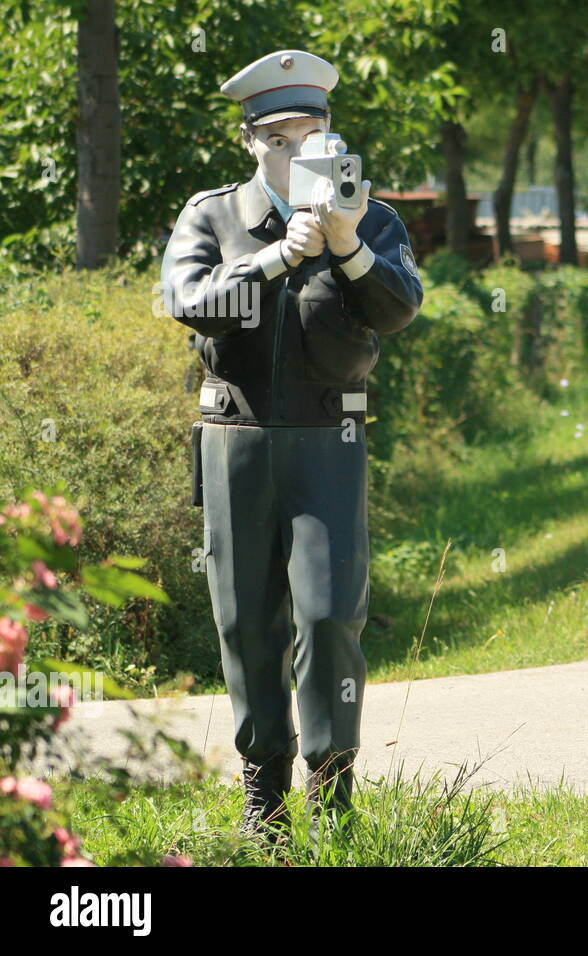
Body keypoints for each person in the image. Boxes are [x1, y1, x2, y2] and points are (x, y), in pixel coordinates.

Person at [160, 50, 423, 842]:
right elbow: (188, 301)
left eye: (314, 133)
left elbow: (399, 307)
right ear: (250, 141)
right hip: (234, 438)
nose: (299, 150)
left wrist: (345, 247)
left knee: (329, 614)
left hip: (327, 438)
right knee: (246, 624)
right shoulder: (213, 215)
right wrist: (277, 257)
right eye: (280, 137)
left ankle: (334, 794)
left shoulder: (368, 214)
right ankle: (263, 797)